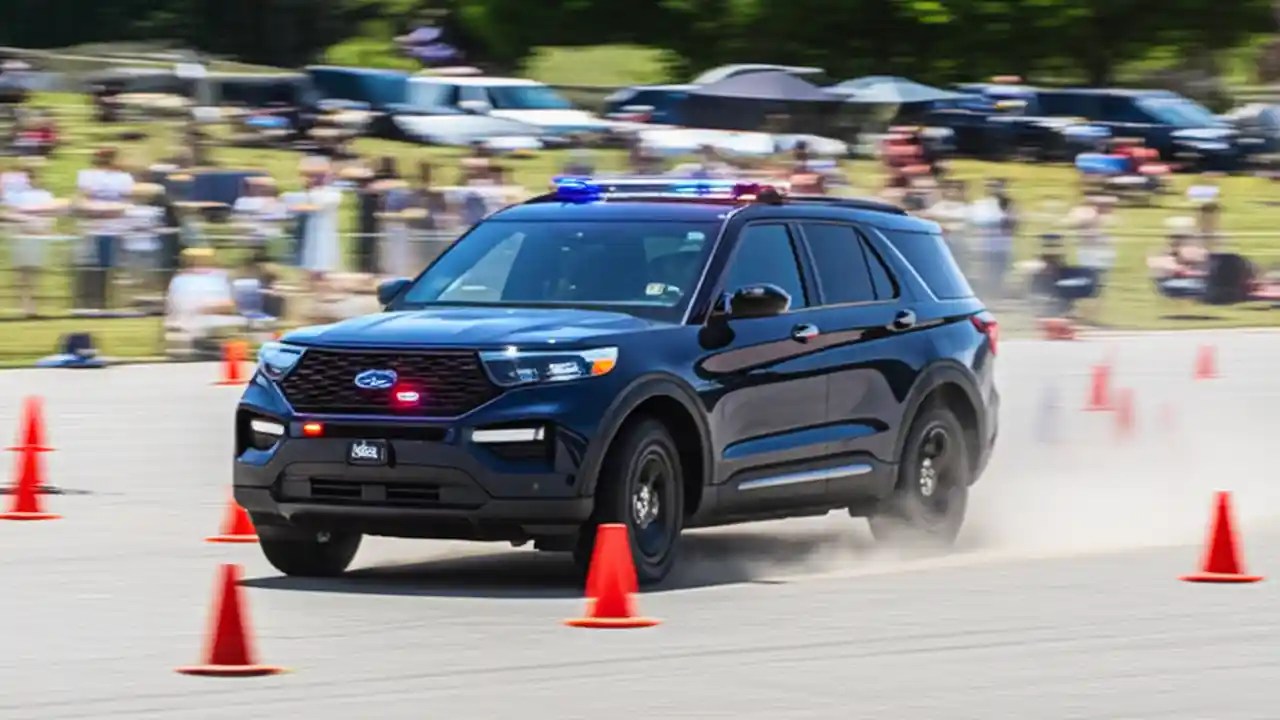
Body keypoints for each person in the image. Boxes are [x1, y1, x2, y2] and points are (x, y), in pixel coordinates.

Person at [3, 162, 67, 316]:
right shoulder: (14, 195)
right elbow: (11, 213)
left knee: (36, 273)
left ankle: (36, 306)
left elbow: (52, 214)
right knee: (25, 273)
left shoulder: (44, 194)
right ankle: (28, 307)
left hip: (41, 237)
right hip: (23, 236)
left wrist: (50, 229)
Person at [74, 147, 135, 309]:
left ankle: (108, 301)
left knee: (111, 267)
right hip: (93, 228)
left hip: (115, 228)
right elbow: (82, 200)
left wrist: (103, 210)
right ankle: (89, 301)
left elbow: (126, 202)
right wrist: (103, 210)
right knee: (92, 267)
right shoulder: (87, 175)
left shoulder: (124, 178)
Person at [164, 247, 246, 354]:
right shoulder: (181, 280)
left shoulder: (219, 276)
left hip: (218, 319)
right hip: (191, 320)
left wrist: (223, 307)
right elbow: (183, 305)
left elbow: (230, 300)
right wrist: (212, 308)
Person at [287, 156, 344, 294]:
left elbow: (318, 207)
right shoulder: (309, 192)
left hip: (323, 230)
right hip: (309, 230)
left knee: (320, 260)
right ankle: (311, 288)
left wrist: (297, 207)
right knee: (309, 263)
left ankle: (323, 291)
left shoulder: (331, 192)